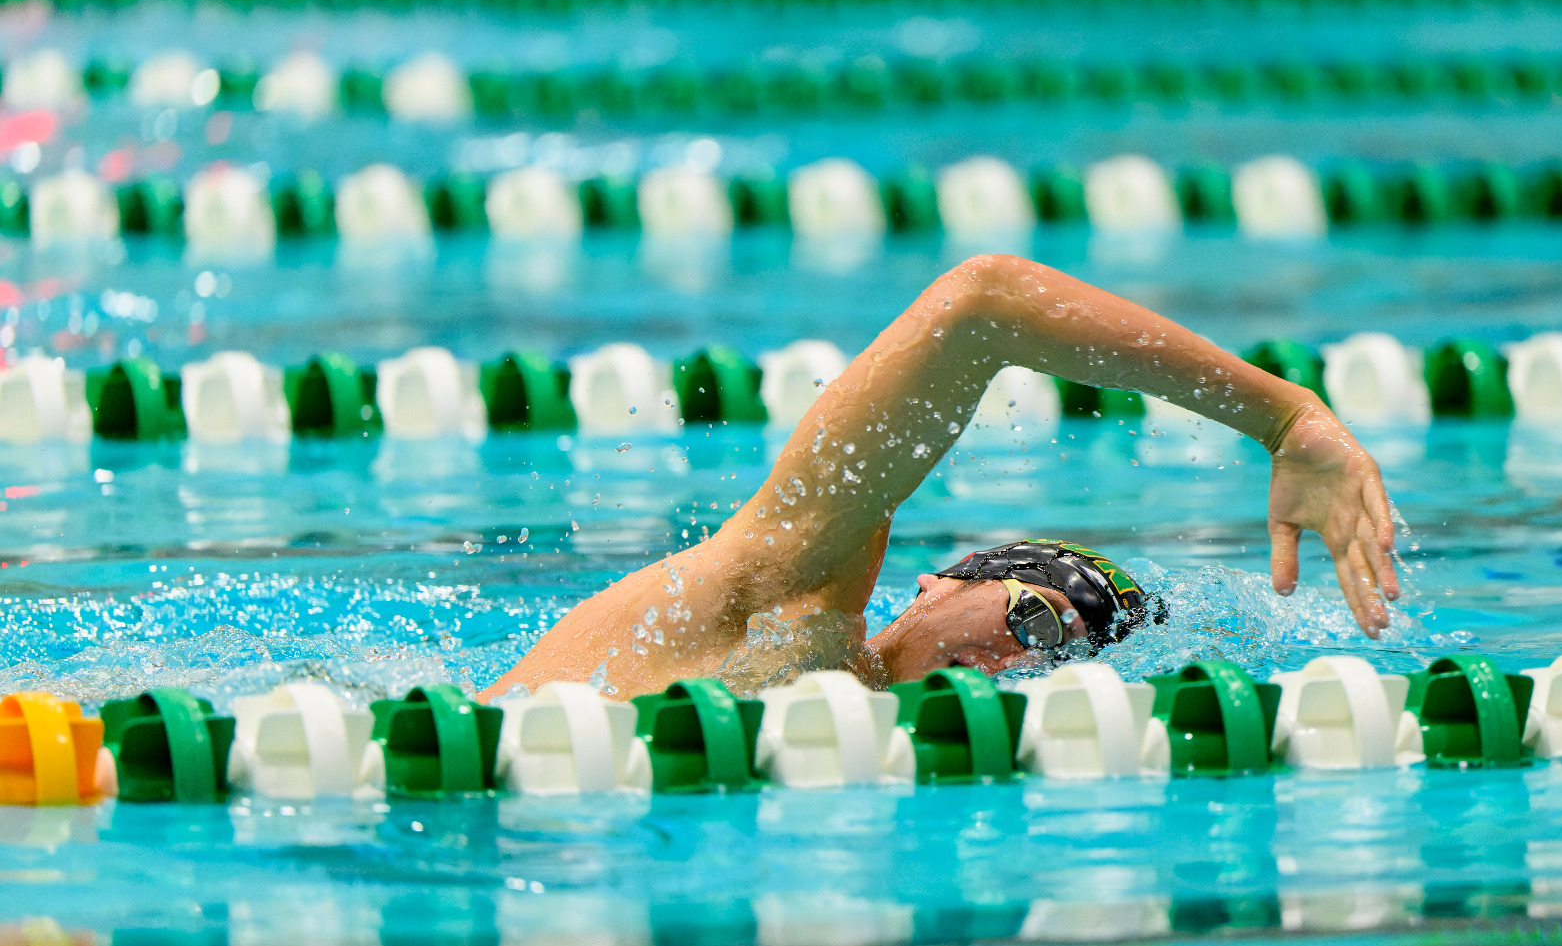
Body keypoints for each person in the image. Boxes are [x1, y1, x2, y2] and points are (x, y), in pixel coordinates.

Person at [481, 254, 1398, 702]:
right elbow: (984, 305)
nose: (1019, 664)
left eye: (1058, 663)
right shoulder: (791, 599)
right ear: (935, 583)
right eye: (1034, 619)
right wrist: (1284, 417)